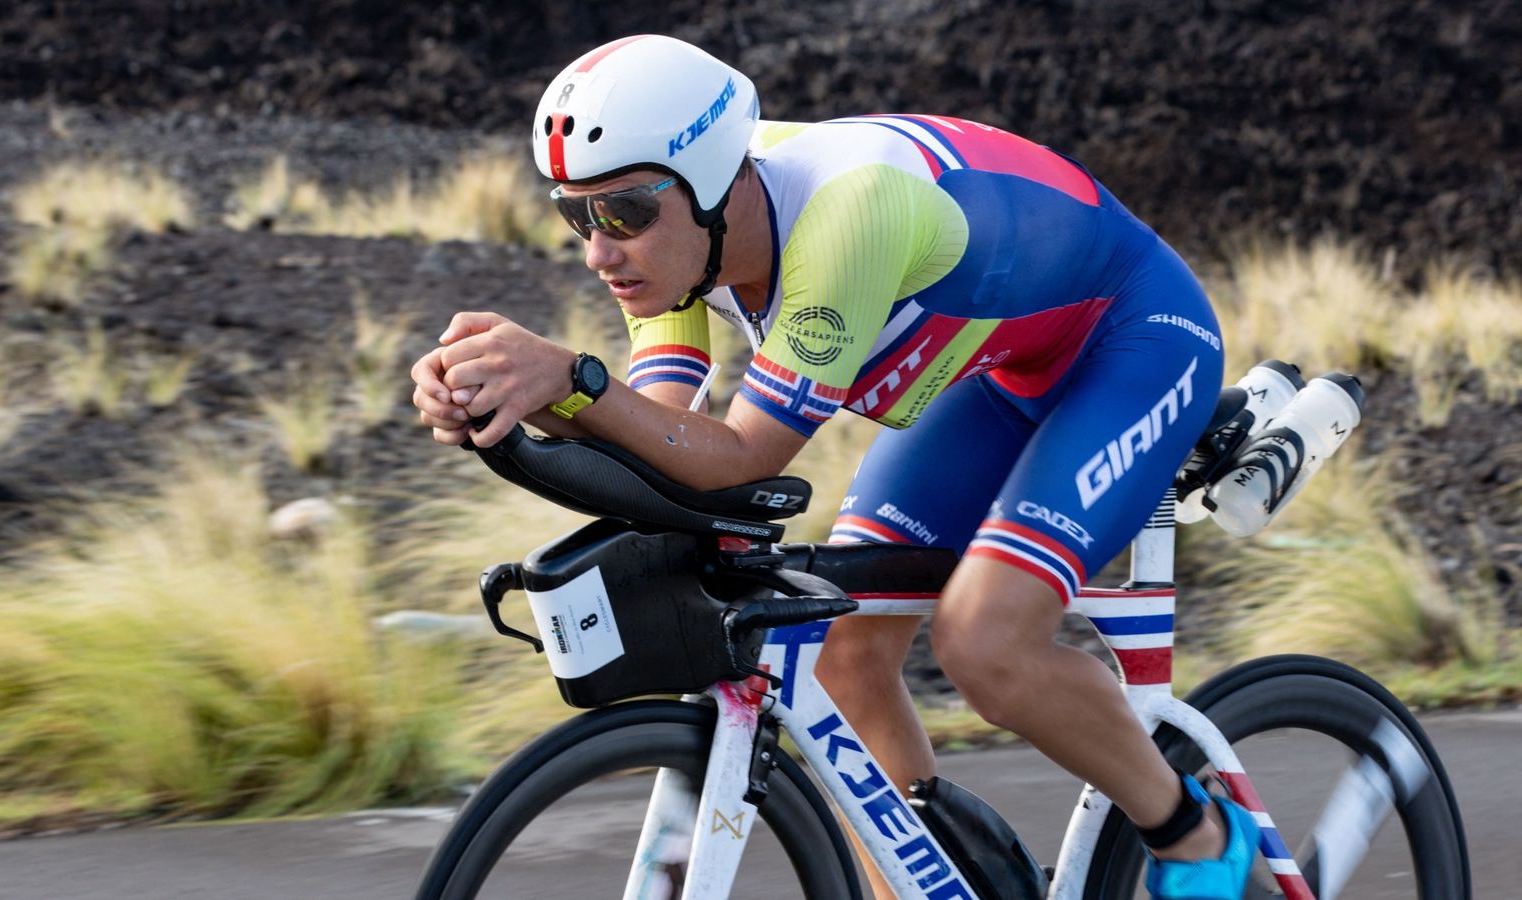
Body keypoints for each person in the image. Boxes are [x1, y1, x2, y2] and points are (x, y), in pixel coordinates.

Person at [410, 34, 1258, 899]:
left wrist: (571, 380)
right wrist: (514, 402)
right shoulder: (677, 249)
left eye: (623, 213)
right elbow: (661, 436)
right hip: (1003, 367)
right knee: (844, 650)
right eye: (575, 214)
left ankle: (1197, 836)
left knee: (985, 642)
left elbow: (739, 462)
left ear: (707, 184)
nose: (598, 249)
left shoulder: (845, 219)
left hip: (1134, 340)